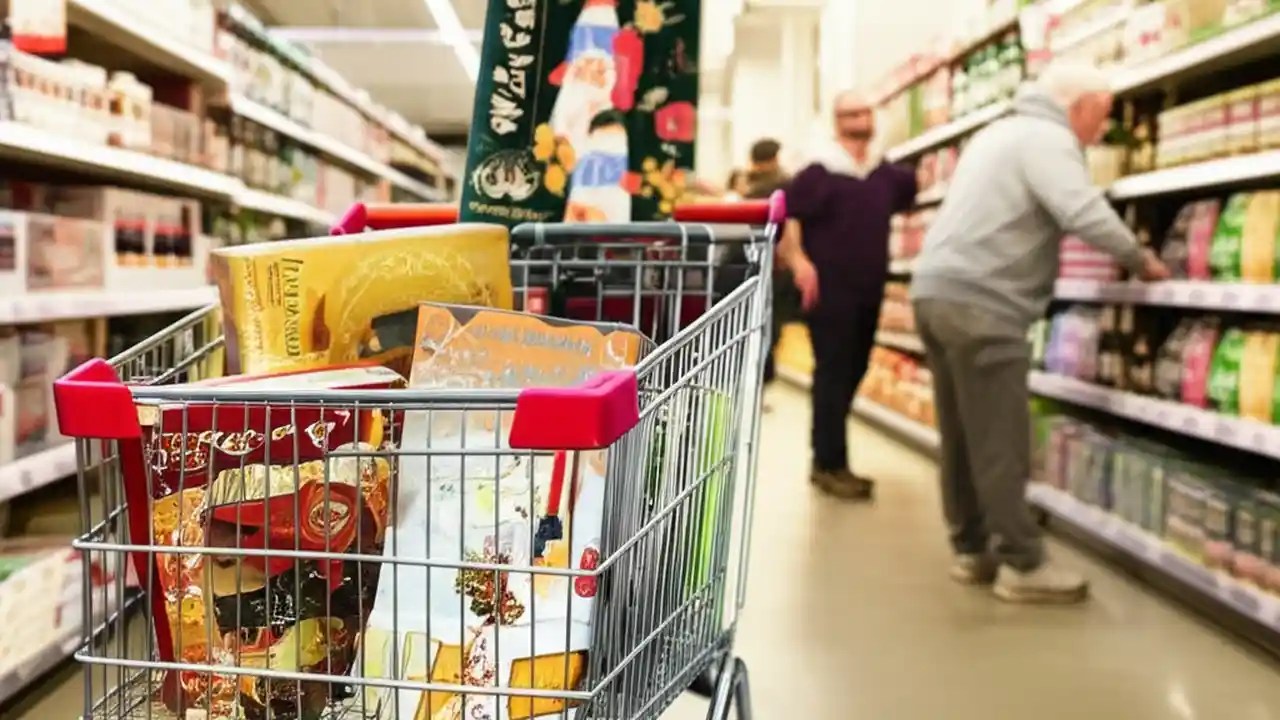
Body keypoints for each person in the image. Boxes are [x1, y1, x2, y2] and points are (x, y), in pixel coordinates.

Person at [909, 61, 1170, 603]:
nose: (1103, 131)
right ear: (1078, 107)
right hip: (984, 302)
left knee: (961, 435)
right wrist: (1140, 259)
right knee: (1001, 438)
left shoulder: (997, 132)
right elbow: (1081, 210)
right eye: (1101, 117)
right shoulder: (1047, 138)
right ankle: (1022, 564)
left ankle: (972, 549)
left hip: (935, 292)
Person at [779, 92, 917, 500]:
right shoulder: (820, 172)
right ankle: (829, 463)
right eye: (850, 113)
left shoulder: (884, 174)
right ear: (837, 121)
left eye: (864, 112)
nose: (859, 119)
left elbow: (911, 193)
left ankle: (830, 457)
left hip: (870, 286)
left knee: (855, 368)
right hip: (829, 287)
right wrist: (800, 262)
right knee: (833, 372)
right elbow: (788, 215)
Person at [741, 138, 794, 389]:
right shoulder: (781, 186)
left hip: (752, 263)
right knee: (770, 324)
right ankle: (762, 378)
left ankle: (755, 379)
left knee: (756, 322)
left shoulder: (749, 189)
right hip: (775, 265)